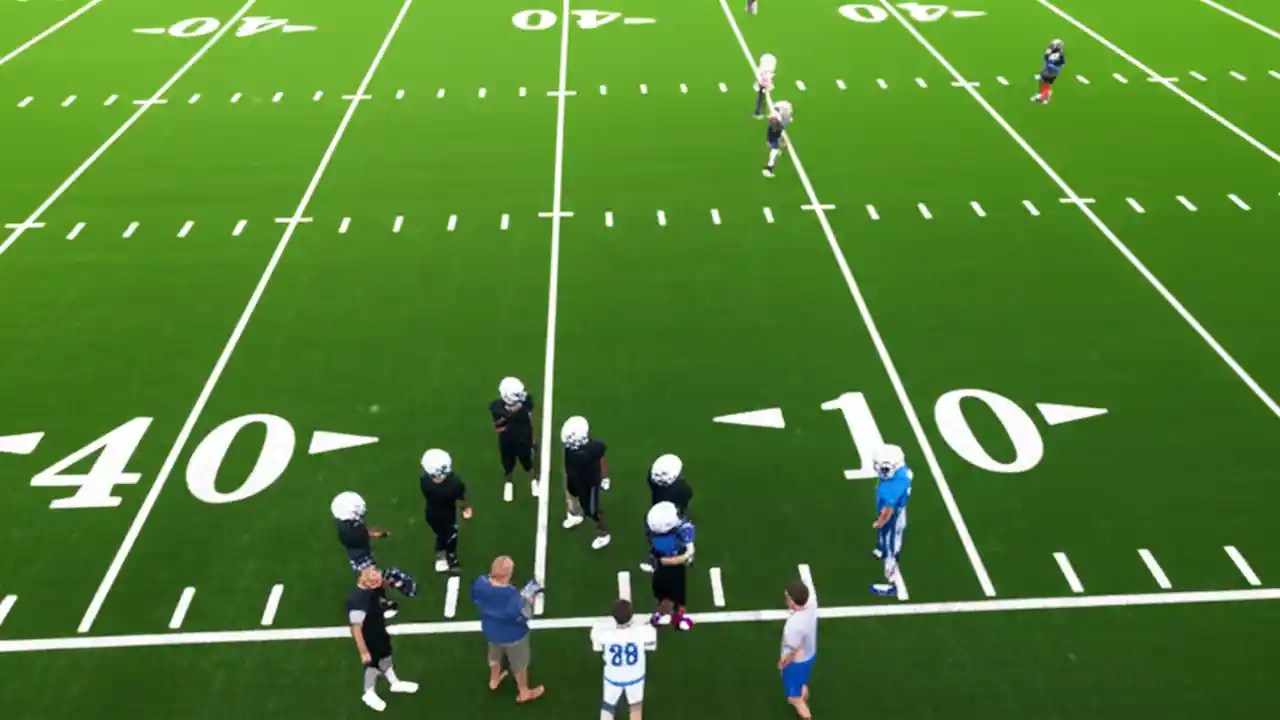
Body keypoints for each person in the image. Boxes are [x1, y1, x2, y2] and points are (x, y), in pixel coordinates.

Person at [471, 556, 545, 704]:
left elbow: (476, 598)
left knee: (494, 656)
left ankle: (494, 679)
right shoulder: (512, 596)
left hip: (490, 631)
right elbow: (525, 616)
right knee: (520, 665)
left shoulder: (480, 583)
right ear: (508, 574)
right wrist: (529, 599)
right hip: (513, 636)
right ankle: (524, 692)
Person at [347, 566, 419, 712]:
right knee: (372, 665)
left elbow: (382, 585)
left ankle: (394, 682)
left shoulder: (372, 589)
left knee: (386, 654)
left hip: (379, 629)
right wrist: (363, 651)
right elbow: (356, 629)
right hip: (369, 636)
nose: (376, 581)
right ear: (362, 578)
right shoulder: (357, 600)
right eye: (372, 579)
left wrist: (395, 583)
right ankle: (368, 692)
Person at [332, 491, 399, 618]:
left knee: (370, 578)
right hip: (361, 556)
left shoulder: (345, 526)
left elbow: (363, 532)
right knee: (372, 579)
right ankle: (378, 604)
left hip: (358, 555)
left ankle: (377, 600)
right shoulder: (351, 531)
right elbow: (362, 534)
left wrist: (377, 534)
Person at [592, 599, 658, 720]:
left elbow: (597, 647)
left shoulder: (604, 634)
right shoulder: (641, 632)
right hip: (635, 676)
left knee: (608, 707)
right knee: (636, 708)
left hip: (613, 677)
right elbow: (652, 635)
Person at [560, 415, 611, 550]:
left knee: (593, 511)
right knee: (572, 496)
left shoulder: (594, 448)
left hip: (589, 484)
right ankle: (576, 515)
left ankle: (603, 534)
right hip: (574, 479)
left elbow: (601, 460)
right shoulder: (570, 448)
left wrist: (604, 477)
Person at [869, 444, 912, 597]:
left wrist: (880, 521)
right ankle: (882, 550)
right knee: (885, 538)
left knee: (891, 542)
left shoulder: (890, 487)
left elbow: (888, 510)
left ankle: (891, 574)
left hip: (894, 517)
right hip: (898, 510)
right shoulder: (902, 473)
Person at [420, 449, 472, 574]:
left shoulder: (425, 481)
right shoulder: (454, 483)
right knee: (450, 536)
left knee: (441, 534)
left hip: (431, 513)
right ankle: (448, 556)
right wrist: (465, 508)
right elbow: (461, 497)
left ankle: (443, 555)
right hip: (447, 515)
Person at [645, 502, 695, 631]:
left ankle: (661, 615)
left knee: (662, 597)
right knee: (678, 599)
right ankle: (677, 619)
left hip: (660, 571)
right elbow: (684, 554)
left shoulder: (653, 534)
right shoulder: (679, 532)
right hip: (674, 571)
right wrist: (686, 556)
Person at [640, 455, 694, 573]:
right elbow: (686, 500)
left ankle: (660, 557)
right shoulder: (681, 488)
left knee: (658, 536)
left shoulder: (652, 478)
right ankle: (682, 552)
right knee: (673, 534)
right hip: (670, 513)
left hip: (660, 509)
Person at [491, 376, 540, 498]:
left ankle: (533, 481)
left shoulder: (527, 401)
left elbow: (531, 417)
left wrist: (532, 438)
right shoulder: (497, 408)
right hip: (507, 440)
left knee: (527, 462)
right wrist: (509, 416)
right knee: (508, 465)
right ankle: (508, 483)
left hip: (524, 437)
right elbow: (498, 428)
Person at [778, 580, 817, 720]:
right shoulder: (812, 604)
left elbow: (793, 649)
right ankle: (802, 691)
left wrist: (783, 662)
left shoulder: (793, 626)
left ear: (794, 602)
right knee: (801, 681)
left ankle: (803, 709)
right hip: (810, 653)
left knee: (794, 697)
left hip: (797, 662)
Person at [762, 101, 793, 178]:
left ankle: (769, 167)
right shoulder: (778, 125)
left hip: (771, 137)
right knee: (774, 151)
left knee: (773, 149)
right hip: (773, 139)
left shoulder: (773, 123)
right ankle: (769, 168)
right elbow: (780, 135)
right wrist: (784, 143)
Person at [1032, 38, 1066, 104]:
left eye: (1054, 45)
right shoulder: (1058, 53)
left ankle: (1044, 97)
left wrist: (1052, 66)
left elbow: (1060, 63)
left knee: (1045, 83)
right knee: (1043, 81)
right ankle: (1044, 96)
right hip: (1051, 70)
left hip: (1052, 71)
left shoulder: (1057, 54)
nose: (1052, 45)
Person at [753, 53, 776, 118]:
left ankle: (760, 111)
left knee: (762, 98)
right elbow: (763, 80)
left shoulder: (764, 71)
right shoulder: (765, 72)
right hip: (762, 85)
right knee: (761, 98)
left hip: (763, 84)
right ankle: (758, 112)